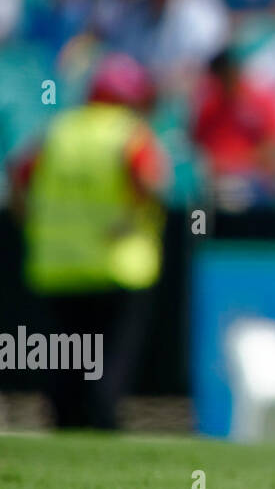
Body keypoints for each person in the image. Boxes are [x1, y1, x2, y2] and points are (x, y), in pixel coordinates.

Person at [9, 54, 171, 429]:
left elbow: (19, 178)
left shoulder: (57, 131)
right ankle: (100, 422)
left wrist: (34, 224)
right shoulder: (130, 133)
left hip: (57, 264)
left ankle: (64, 423)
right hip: (116, 264)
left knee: (68, 356)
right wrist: (129, 222)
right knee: (109, 359)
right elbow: (152, 184)